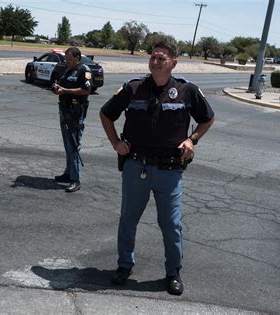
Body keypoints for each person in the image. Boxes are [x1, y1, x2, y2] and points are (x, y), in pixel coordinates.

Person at [99, 40, 215, 295]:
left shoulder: (187, 91)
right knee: (128, 220)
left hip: (169, 171)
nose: (155, 62)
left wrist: (191, 139)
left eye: (161, 58)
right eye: (153, 57)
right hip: (135, 167)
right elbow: (106, 114)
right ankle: (124, 265)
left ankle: (173, 272)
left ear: (173, 63)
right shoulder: (133, 88)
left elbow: (207, 118)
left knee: (171, 224)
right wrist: (115, 142)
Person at [53, 47, 92, 192]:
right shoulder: (68, 70)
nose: (66, 61)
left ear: (77, 58)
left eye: (69, 59)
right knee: (67, 145)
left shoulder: (84, 70)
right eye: (66, 59)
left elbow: (86, 90)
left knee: (73, 146)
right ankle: (68, 173)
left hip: (75, 114)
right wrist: (57, 88)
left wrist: (66, 91)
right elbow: (62, 85)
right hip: (64, 110)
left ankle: (75, 180)